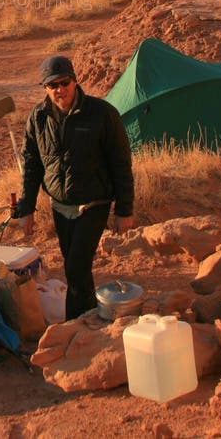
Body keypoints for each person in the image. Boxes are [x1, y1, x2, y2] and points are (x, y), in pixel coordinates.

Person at [13, 54, 134, 320]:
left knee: (77, 267)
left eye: (64, 82)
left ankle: (75, 326)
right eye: (52, 85)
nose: (60, 90)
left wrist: (124, 209)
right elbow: (32, 165)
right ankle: (92, 319)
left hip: (93, 204)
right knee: (74, 268)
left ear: (75, 81)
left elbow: (121, 164)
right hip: (59, 207)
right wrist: (27, 208)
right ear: (45, 88)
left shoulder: (101, 114)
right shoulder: (38, 117)